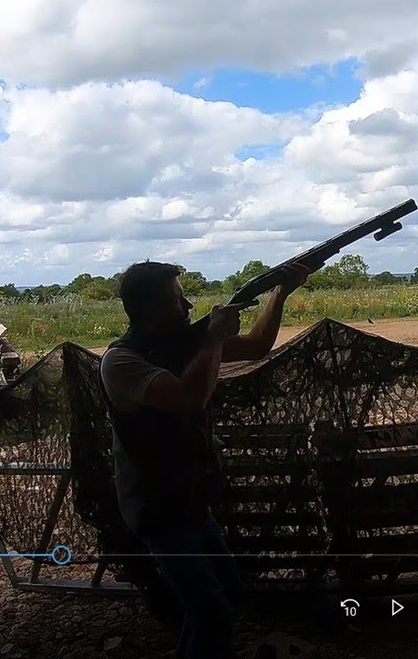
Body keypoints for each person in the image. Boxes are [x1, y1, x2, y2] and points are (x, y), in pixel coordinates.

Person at [98, 260, 309, 659]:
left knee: (223, 592)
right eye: (178, 300)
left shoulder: (180, 344)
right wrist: (212, 341)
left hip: (189, 497)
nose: (190, 305)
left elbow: (258, 346)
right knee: (213, 615)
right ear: (149, 310)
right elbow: (188, 398)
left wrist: (280, 293)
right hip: (157, 508)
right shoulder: (121, 362)